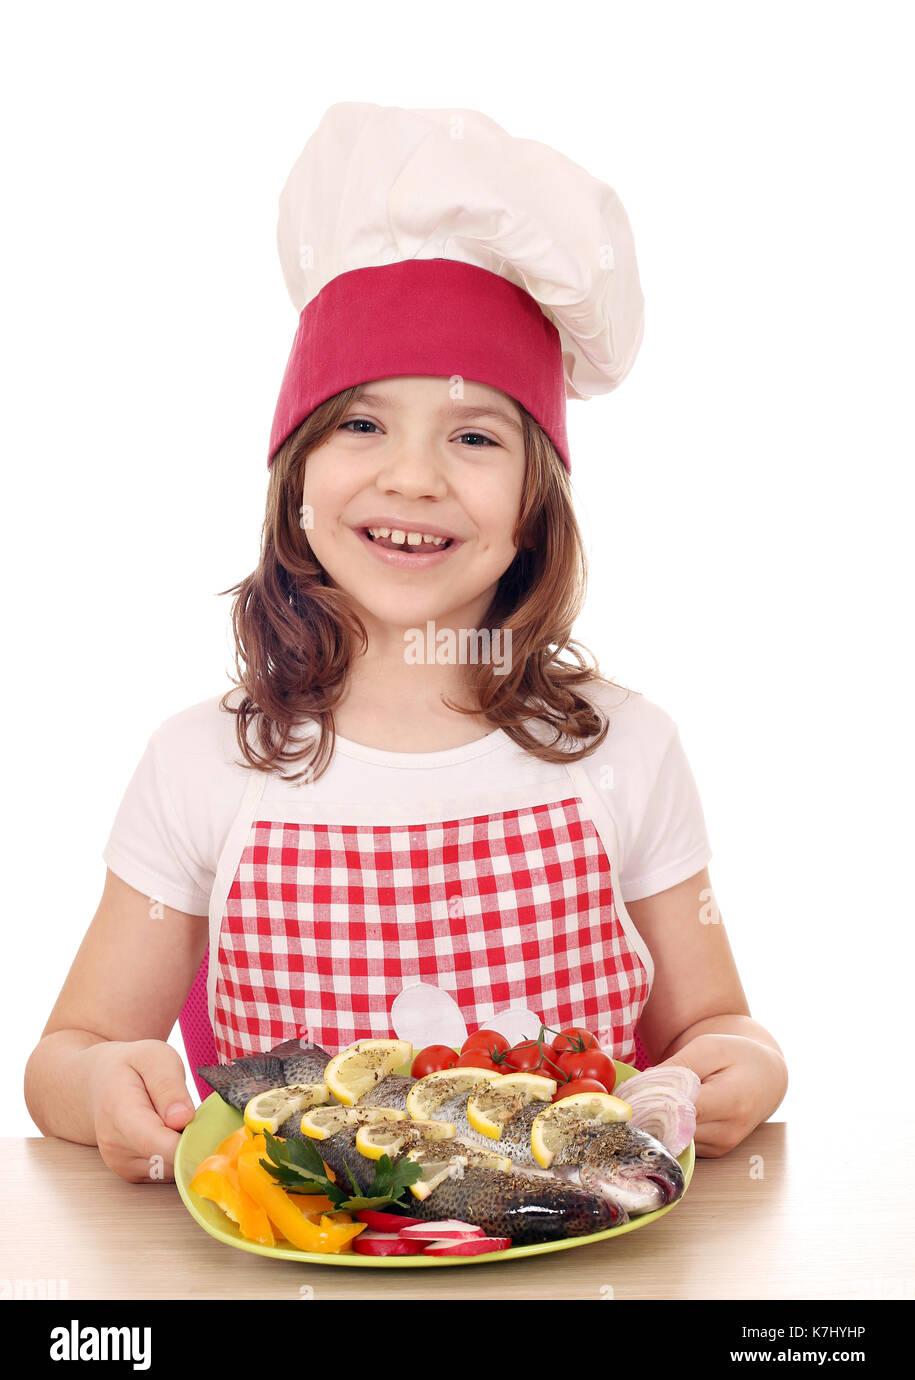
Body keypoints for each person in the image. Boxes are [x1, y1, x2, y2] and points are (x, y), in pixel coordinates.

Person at [24, 103, 787, 1184]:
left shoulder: (628, 747)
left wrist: (744, 1067)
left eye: (474, 436)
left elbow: (720, 1024)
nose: (413, 477)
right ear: (296, 479)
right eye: (362, 424)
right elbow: (70, 1052)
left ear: (534, 502)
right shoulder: (203, 764)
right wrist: (104, 1087)